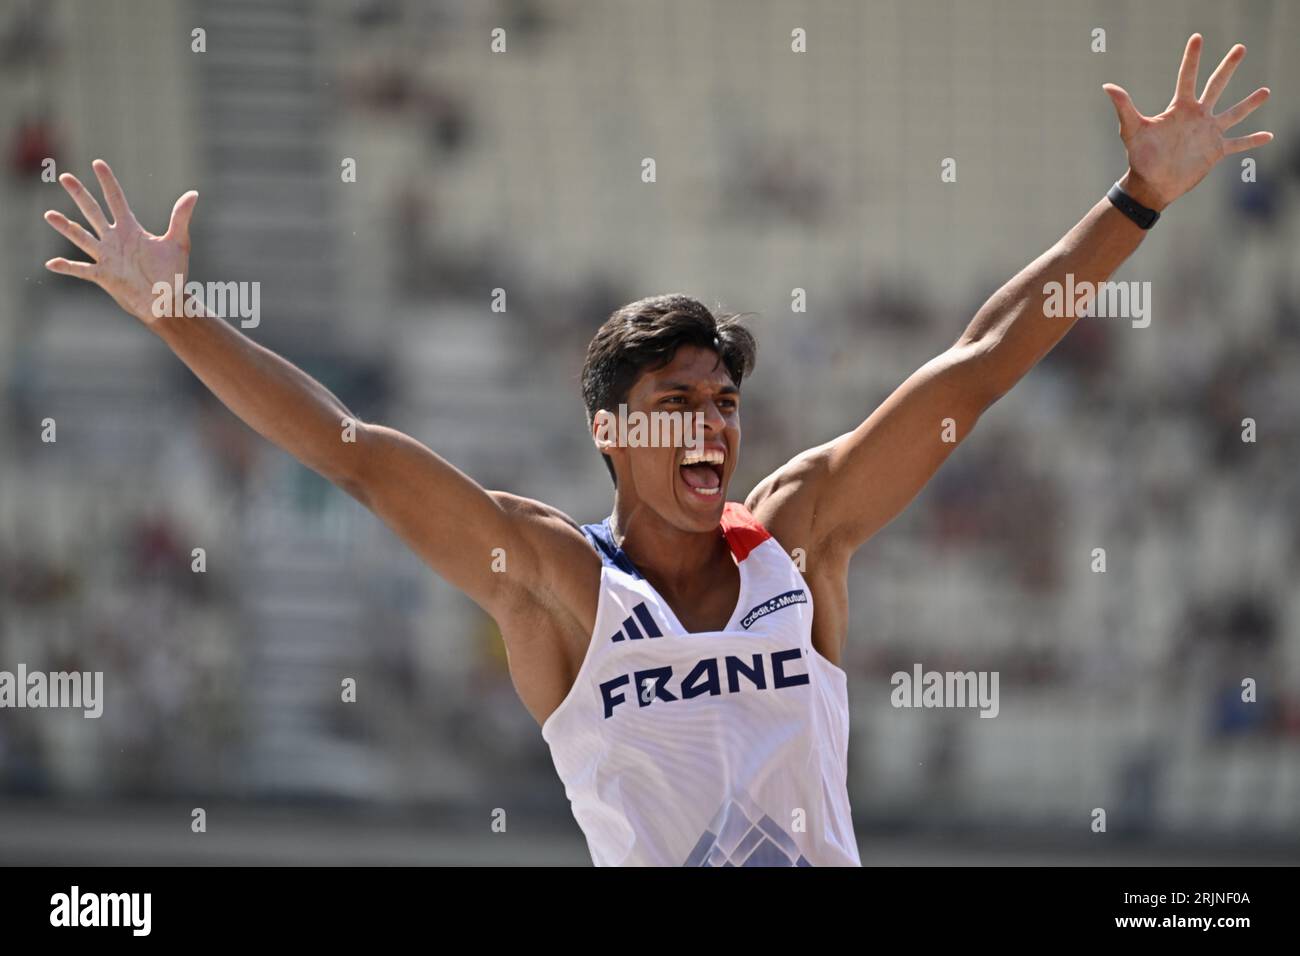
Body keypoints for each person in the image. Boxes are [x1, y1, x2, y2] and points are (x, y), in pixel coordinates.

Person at [42, 35, 1271, 866]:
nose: (714, 423)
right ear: (610, 429)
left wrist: (1139, 203)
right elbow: (353, 451)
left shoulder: (803, 531)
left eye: (724, 400)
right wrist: (176, 315)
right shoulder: (556, 582)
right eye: (678, 398)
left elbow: (983, 361)